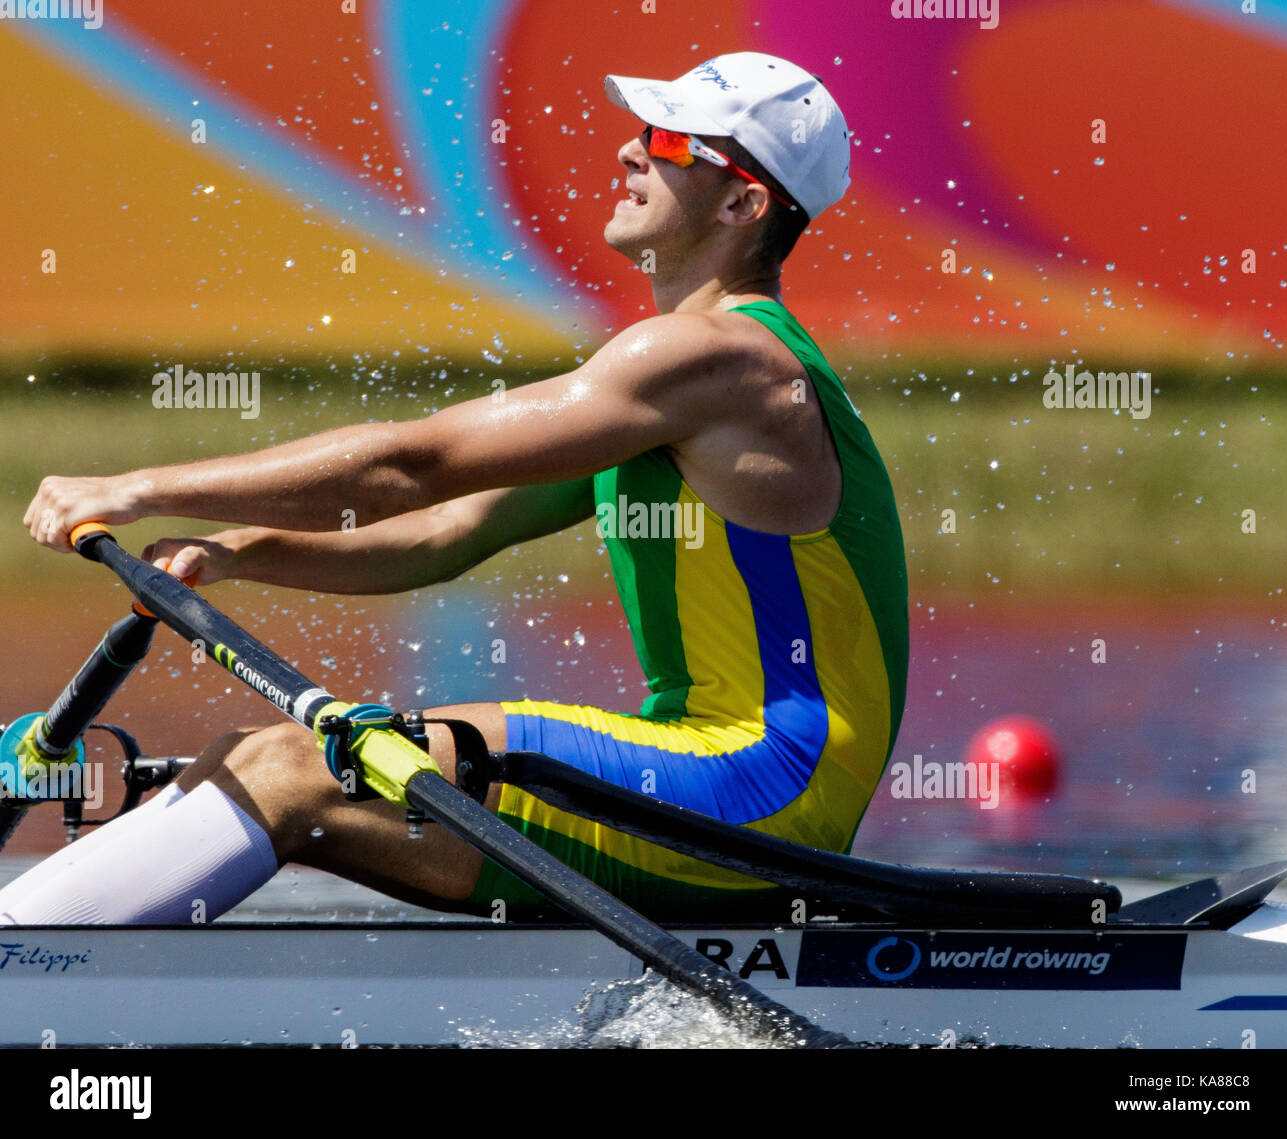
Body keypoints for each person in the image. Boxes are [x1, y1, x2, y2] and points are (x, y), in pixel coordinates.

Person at [2, 52, 907, 926]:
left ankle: (28, 965)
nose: (631, 151)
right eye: (643, 131)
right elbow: (449, 528)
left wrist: (138, 487)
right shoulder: (684, 377)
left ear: (745, 202)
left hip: (760, 788)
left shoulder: (717, 356)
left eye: (672, 145)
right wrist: (241, 553)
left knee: (286, 769)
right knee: (251, 760)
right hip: (722, 777)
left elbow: (409, 466)